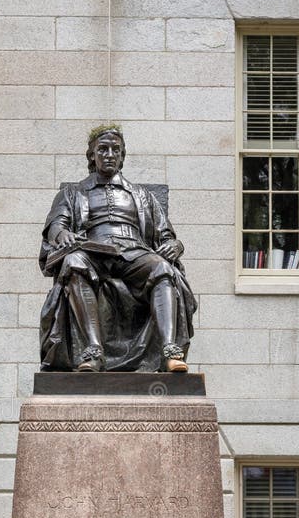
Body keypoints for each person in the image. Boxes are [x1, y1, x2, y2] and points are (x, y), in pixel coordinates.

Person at [39, 125, 196, 373]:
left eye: (116, 150)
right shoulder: (73, 192)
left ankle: (169, 351)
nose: (109, 154)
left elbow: (166, 235)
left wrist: (176, 245)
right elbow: (55, 226)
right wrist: (63, 233)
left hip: (134, 252)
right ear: (91, 156)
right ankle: (93, 350)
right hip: (93, 252)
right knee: (73, 263)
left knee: (163, 269)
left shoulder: (142, 195)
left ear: (123, 156)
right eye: (103, 149)